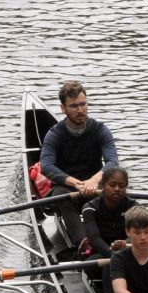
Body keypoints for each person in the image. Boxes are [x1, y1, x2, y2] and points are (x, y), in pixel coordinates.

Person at [38, 80, 119, 248]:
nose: (80, 110)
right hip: (66, 188)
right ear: (63, 108)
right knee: (62, 196)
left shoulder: (100, 130)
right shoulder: (54, 134)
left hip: (93, 186)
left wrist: (94, 181)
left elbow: (112, 162)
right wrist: (77, 183)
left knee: (116, 192)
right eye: (74, 106)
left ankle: (120, 237)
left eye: (83, 104)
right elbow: (46, 166)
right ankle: (84, 244)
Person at [78, 166, 137, 260]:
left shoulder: (133, 207)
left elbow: (142, 234)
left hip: (125, 252)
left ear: (126, 187)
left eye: (121, 186)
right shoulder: (90, 208)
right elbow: (94, 239)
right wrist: (114, 256)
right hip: (98, 254)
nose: (117, 189)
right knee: (109, 264)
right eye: (112, 185)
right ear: (103, 186)